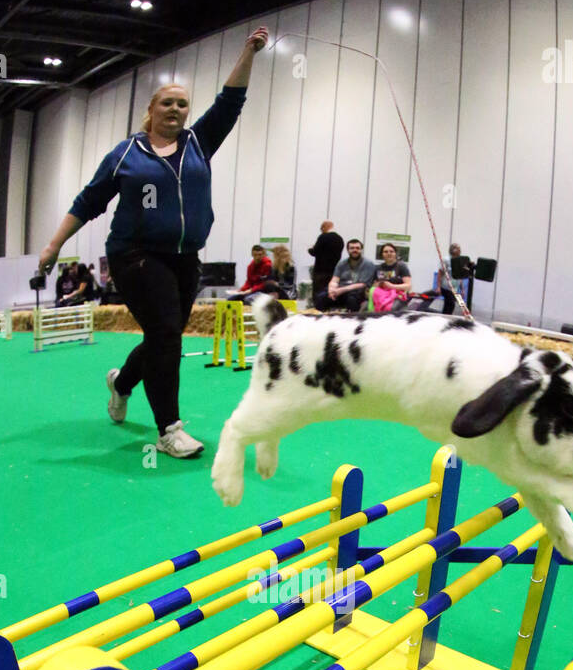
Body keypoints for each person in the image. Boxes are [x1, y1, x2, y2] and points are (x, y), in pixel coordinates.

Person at [39, 25, 269, 459]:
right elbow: (89, 201)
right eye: (168, 103)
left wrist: (249, 52)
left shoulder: (199, 144)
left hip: (185, 257)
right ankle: (169, 430)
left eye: (183, 104)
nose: (177, 110)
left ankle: (121, 383)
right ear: (151, 109)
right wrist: (53, 247)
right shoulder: (126, 155)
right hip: (135, 255)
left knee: (163, 336)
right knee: (166, 332)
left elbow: (230, 102)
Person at [327, 239, 377, 312]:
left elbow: (362, 284)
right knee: (322, 297)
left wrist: (340, 290)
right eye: (352, 248)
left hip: (359, 292)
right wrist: (331, 290)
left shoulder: (368, 264)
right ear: (348, 250)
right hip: (341, 290)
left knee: (351, 299)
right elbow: (334, 280)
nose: (355, 250)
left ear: (361, 250)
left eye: (357, 248)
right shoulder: (341, 263)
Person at [308, 221, 344, 308]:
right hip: (334, 272)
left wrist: (310, 249)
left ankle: (318, 311)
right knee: (330, 293)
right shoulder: (340, 239)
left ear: (325, 227)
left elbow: (315, 252)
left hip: (321, 271)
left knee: (318, 294)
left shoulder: (323, 237)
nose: (321, 230)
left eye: (321, 228)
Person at [371, 243, 412, 313]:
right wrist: (378, 284)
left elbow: (408, 286)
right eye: (385, 252)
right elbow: (373, 285)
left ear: (395, 253)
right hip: (380, 296)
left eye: (391, 251)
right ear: (382, 254)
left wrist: (391, 286)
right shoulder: (378, 268)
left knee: (390, 309)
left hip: (398, 297)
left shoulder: (401, 266)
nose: (389, 253)